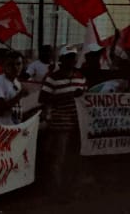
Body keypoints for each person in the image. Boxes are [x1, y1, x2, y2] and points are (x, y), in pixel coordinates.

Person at [39, 46, 88, 195]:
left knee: (75, 156)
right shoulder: (52, 78)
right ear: (62, 60)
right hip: (60, 124)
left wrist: (80, 95)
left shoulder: (80, 76)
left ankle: (72, 186)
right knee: (58, 157)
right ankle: (56, 189)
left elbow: (86, 96)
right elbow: (43, 98)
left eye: (73, 57)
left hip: (78, 123)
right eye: (69, 57)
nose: (72, 60)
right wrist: (69, 96)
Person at [0, 50, 26, 125]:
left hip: (13, 129)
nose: (15, 67)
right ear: (3, 65)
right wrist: (20, 95)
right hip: (0, 130)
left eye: (18, 64)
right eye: (10, 64)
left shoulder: (17, 83)